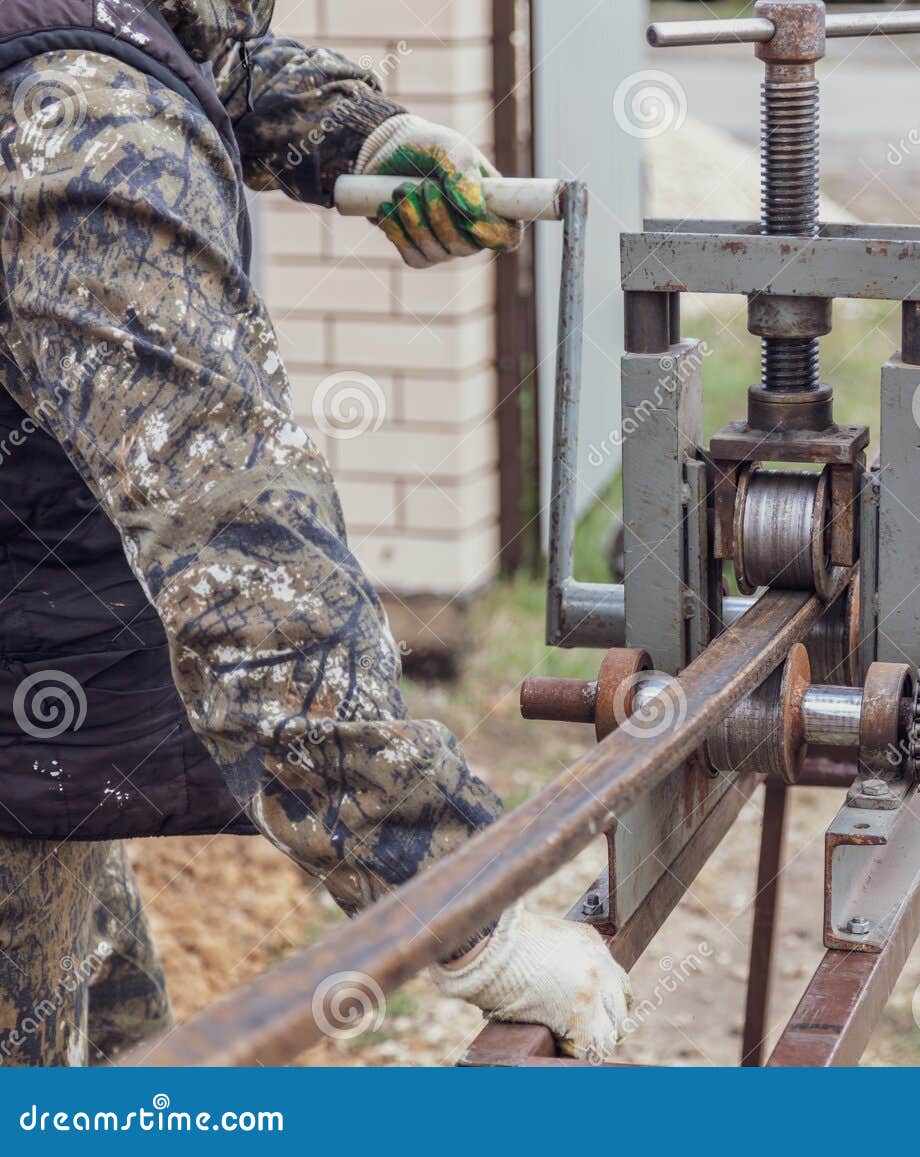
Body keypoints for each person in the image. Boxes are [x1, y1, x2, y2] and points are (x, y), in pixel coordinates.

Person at [0, 0, 629, 1065]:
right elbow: (243, 568)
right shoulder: (88, 138)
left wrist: (358, 132)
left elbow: (166, 35)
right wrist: (465, 907)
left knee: (116, 1061)